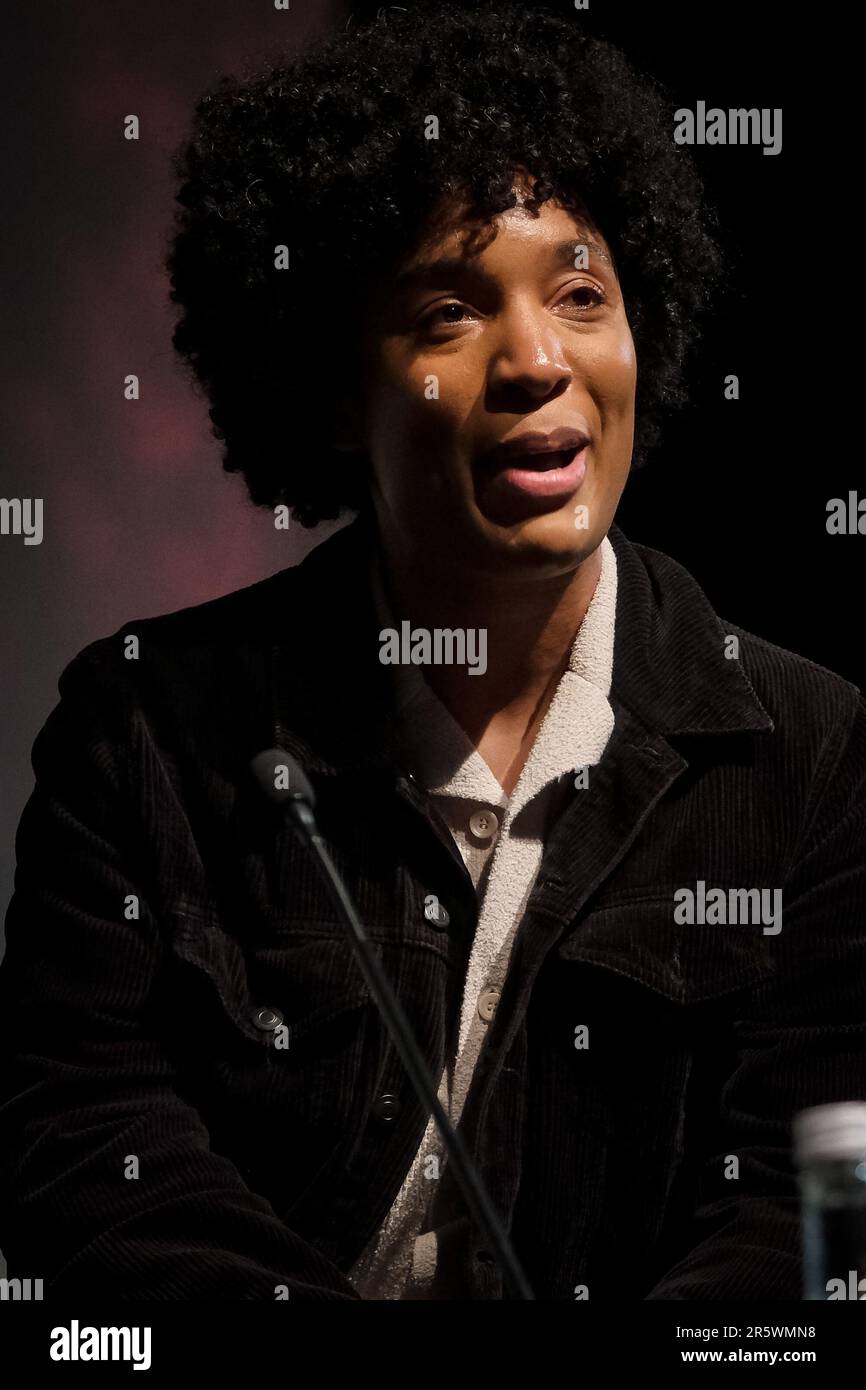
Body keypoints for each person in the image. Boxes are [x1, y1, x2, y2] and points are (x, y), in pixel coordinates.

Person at [1, 2, 864, 1301]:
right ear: (339, 391)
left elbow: (806, 1203)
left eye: (580, 293)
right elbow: (82, 1147)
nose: (533, 359)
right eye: (449, 311)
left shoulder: (807, 748)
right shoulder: (145, 727)